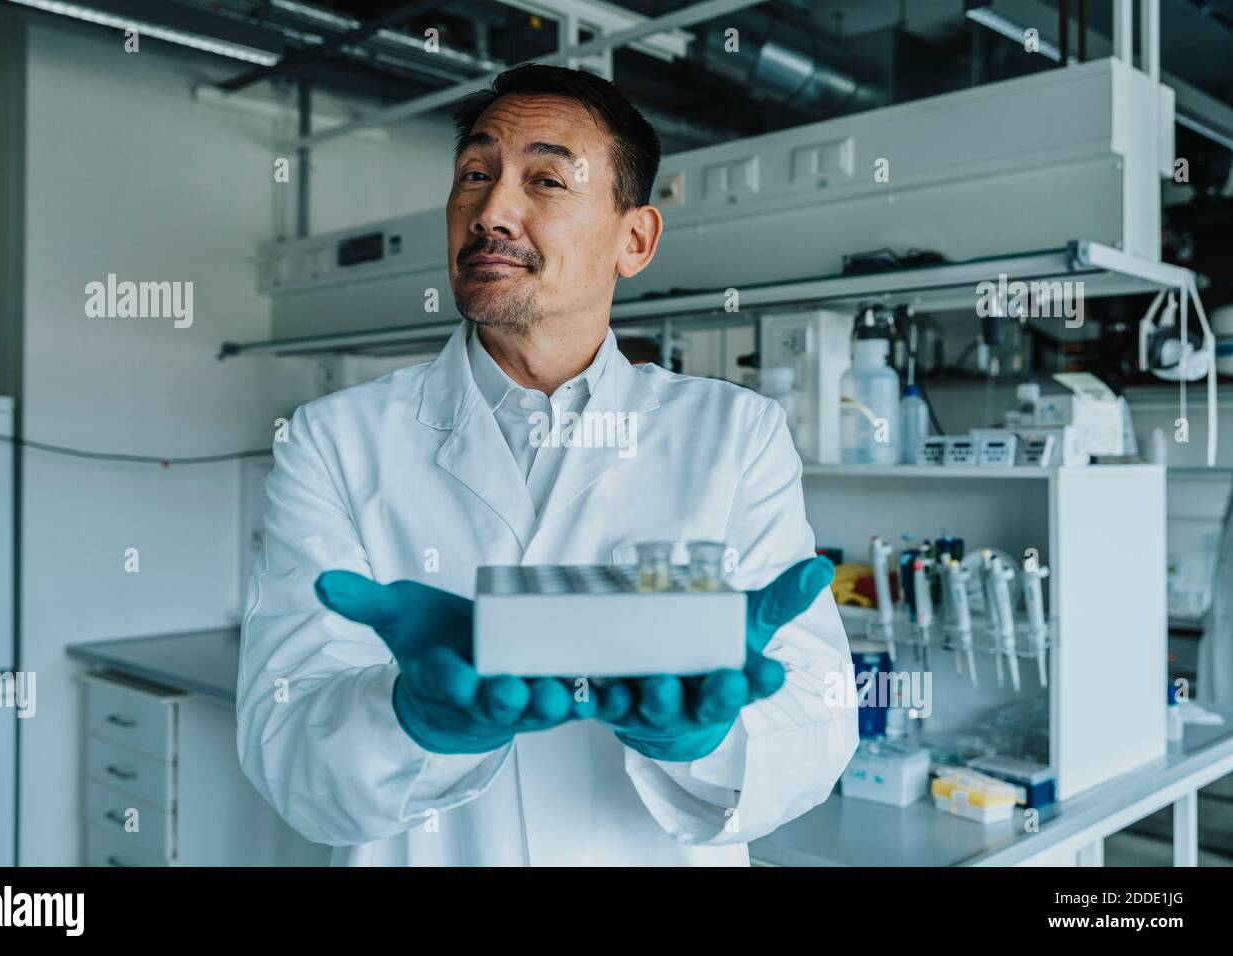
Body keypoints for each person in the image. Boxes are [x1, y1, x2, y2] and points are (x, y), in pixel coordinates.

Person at [237, 63, 858, 866]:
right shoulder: (333, 441)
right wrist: (407, 718)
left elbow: (820, 712)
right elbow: (286, 748)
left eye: (547, 180)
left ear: (634, 238)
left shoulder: (734, 435)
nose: (491, 210)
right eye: (474, 174)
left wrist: (705, 737)